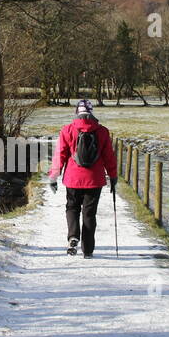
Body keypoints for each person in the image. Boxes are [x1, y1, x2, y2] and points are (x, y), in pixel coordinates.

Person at [48, 98, 117, 256]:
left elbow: (60, 155)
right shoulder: (102, 131)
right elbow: (109, 157)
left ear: (76, 113)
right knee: (89, 213)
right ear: (91, 112)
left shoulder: (68, 130)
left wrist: (53, 176)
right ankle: (87, 250)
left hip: (73, 178)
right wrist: (113, 177)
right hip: (95, 180)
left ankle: (73, 236)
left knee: (72, 207)